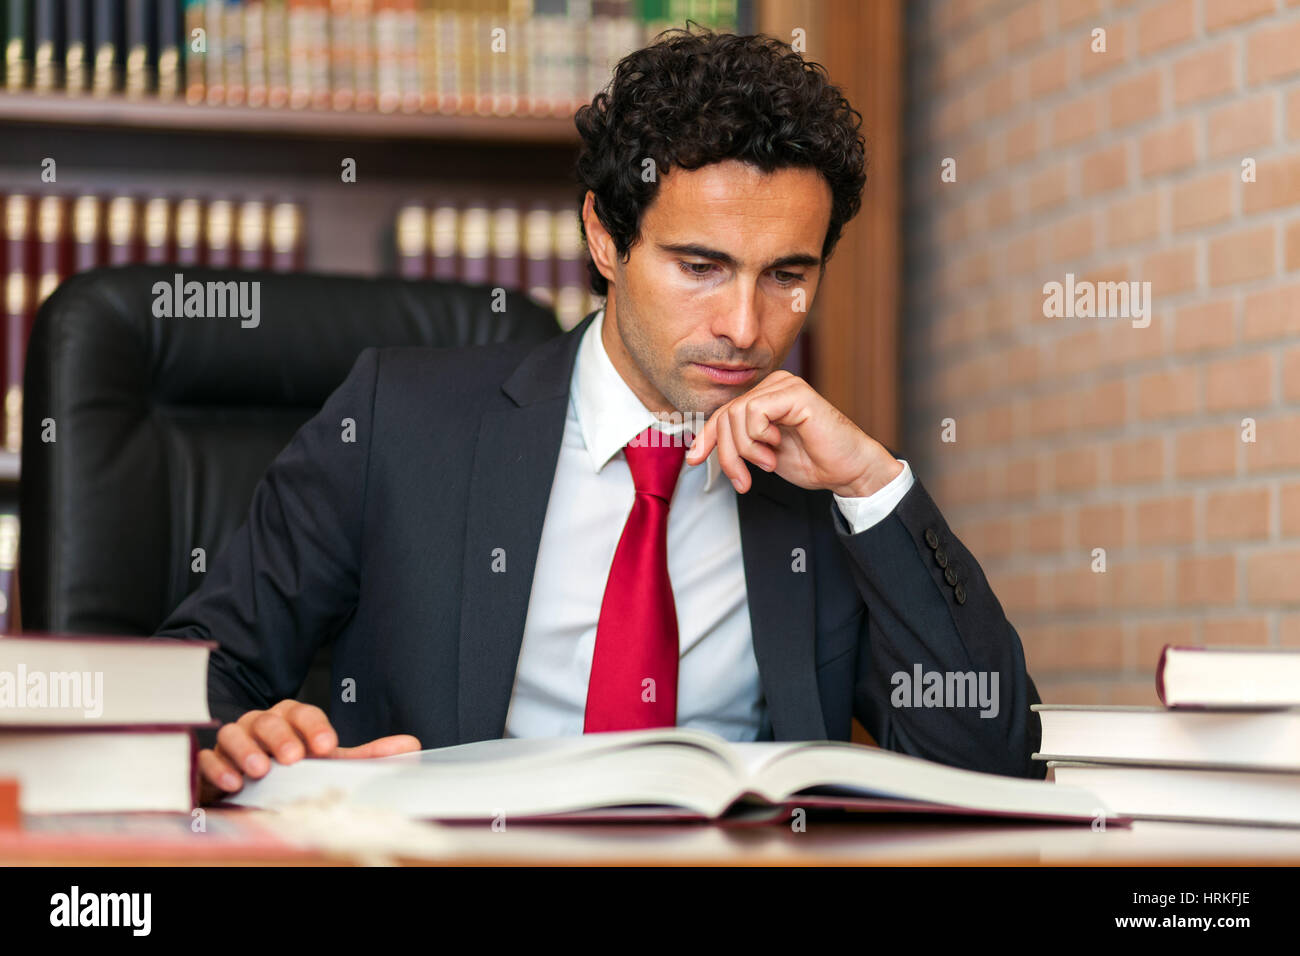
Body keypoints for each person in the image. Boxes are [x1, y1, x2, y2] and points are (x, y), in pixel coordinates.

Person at [154, 28, 1047, 804]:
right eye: (701, 266)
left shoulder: (820, 481)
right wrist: (242, 741)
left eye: (786, 275)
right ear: (605, 239)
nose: (745, 327)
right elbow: (199, 676)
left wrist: (872, 486)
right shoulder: (398, 422)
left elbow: (991, 764)